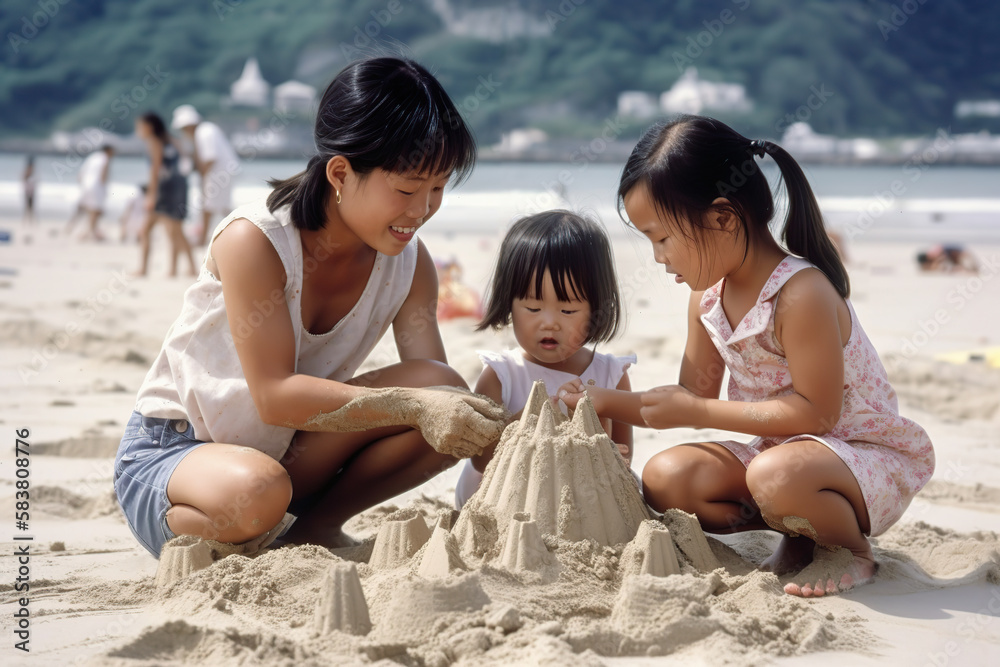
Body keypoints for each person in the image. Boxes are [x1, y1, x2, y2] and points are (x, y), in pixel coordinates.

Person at [113, 57, 507, 558]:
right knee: (258, 491)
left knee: (443, 391)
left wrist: (503, 427)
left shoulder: (410, 265)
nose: (422, 210)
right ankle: (233, 537)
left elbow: (435, 395)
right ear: (340, 172)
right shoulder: (256, 241)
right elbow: (275, 396)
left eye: (438, 188)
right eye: (407, 189)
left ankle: (310, 531)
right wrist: (412, 404)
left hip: (288, 456)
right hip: (179, 456)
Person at [557, 116, 934, 597]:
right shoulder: (707, 298)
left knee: (775, 474)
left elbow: (818, 414)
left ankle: (850, 550)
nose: (657, 257)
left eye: (662, 238)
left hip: (860, 461)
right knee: (667, 478)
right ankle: (799, 531)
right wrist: (603, 401)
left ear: (722, 217)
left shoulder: (801, 294)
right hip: (776, 459)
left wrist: (698, 412)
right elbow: (690, 395)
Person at [454, 210, 634, 509]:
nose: (549, 323)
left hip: (581, 502)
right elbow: (481, 459)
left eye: (568, 311)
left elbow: (625, 456)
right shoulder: (502, 375)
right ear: (509, 302)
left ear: (597, 309)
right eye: (533, 308)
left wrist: (605, 447)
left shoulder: (610, 375)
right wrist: (530, 418)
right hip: (509, 501)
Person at [133, 112, 197, 277]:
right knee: (175, 230)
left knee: (147, 229)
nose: (138, 130)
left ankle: (143, 269)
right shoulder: (172, 140)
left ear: (149, 127)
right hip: (180, 186)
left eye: (140, 126)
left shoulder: (154, 141)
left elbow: (154, 170)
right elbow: (185, 163)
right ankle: (180, 269)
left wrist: (151, 195)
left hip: (164, 189)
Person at [171, 105, 241, 246]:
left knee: (210, 206)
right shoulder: (205, 130)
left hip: (219, 172)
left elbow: (210, 158)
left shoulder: (204, 131)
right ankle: (239, 230)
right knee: (221, 206)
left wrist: (203, 177)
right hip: (222, 171)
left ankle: (204, 239)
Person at [65, 144, 114, 240]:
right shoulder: (105, 159)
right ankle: (90, 232)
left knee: (82, 208)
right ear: (108, 150)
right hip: (96, 186)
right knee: (95, 211)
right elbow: (103, 175)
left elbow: (81, 173)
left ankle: (70, 227)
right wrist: (104, 188)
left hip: (86, 184)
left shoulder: (93, 157)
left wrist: (82, 184)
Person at [22, 155, 36, 227]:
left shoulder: (32, 172)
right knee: (27, 207)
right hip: (28, 192)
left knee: (31, 207)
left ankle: (30, 221)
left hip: (31, 192)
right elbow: (23, 180)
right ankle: (26, 221)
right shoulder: (27, 172)